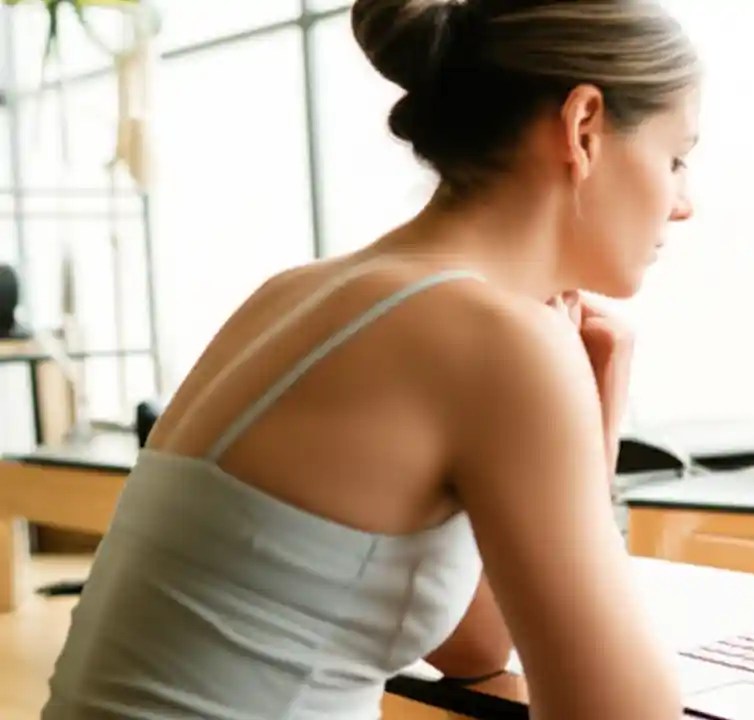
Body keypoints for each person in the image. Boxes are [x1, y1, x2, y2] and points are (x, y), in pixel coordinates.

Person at [41, 1, 700, 718]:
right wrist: (564, 383)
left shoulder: (302, 292)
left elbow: (473, 645)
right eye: (676, 159)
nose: (683, 203)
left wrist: (596, 391)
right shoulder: (495, 339)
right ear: (583, 128)